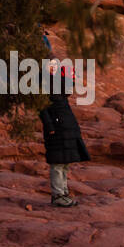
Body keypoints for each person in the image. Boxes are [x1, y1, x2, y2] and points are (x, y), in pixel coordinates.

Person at [38, 31, 89, 207]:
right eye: (50, 65)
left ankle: (63, 193)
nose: (53, 67)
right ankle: (58, 196)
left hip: (66, 123)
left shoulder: (56, 80)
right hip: (56, 125)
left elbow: (67, 93)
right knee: (58, 162)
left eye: (55, 64)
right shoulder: (41, 82)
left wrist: (69, 78)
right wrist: (50, 125)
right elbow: (41, 107)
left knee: (65, 162)